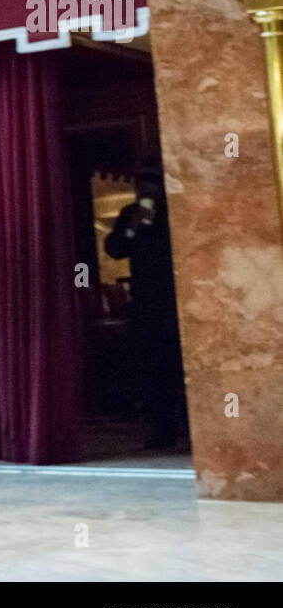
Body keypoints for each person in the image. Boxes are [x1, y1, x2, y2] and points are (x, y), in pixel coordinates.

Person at [103, 160, 188, 449]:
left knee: (181, 367)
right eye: (141, 185)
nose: (145, 190)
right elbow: (115, 249)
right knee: (154, 371)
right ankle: (161, 431)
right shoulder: (130, 214)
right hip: (146, 305)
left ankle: (190, 430)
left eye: (151, 184)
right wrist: (133, 228)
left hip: (177, 302)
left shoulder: (177, 210)